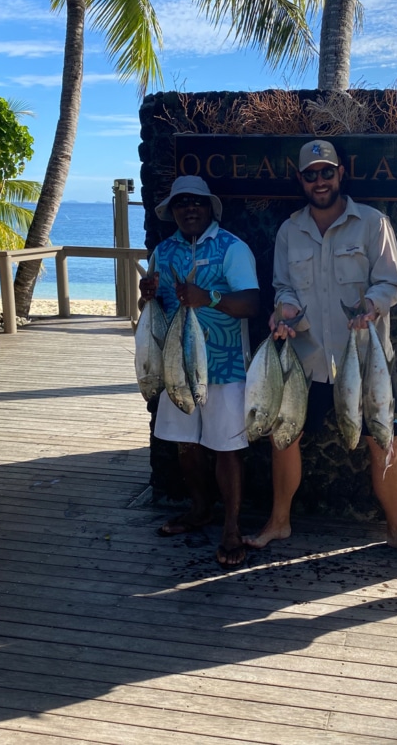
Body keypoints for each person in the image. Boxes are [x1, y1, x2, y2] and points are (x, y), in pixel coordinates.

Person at [243, 139, 397, 561]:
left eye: (327, 172)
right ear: (301, 180)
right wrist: (283, 309)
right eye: (311, 174)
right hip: (305, 361)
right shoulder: (290, 230)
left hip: (363, 361)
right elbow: (283, 287)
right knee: (283, 437)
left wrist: (370, 306)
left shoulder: (373, 223)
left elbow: (391, 283)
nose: (320, 180)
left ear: (340, 174)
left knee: (384, 439)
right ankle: (279, 521)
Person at [140, 175, 260, 568]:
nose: (189, 209)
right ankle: (200, 509)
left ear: (209, 207)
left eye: (197, 202)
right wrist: (146, 295)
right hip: (176, 366)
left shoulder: (232, 248)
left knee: (227, 448)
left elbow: (252, 304)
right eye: (181, 203)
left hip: (225, 366)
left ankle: (230, 525)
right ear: (172, 211)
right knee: (184, 444)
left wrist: (207, 297)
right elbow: (152, 312)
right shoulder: (163, 251)